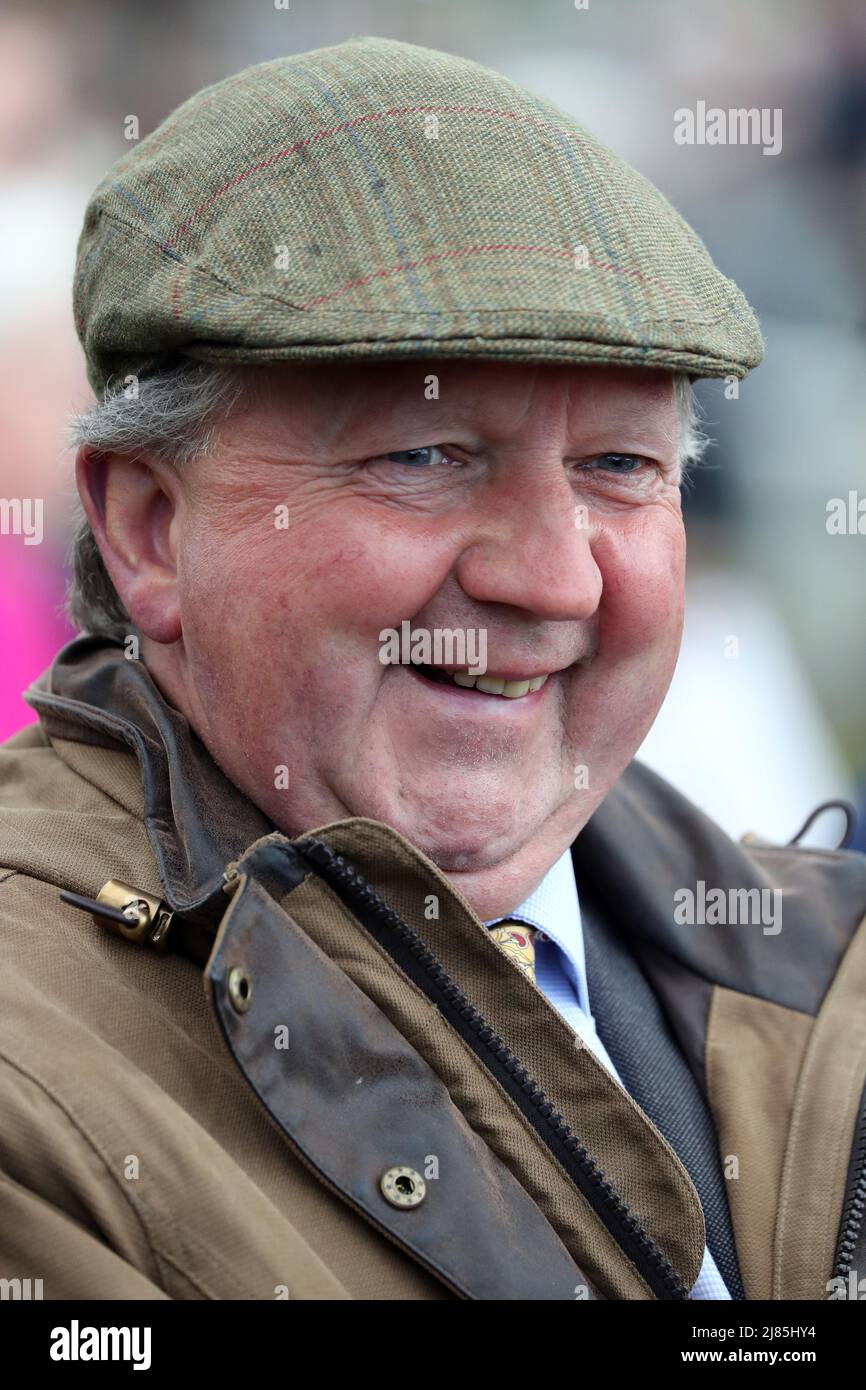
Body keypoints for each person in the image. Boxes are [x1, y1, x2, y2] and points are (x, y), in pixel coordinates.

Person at [1, 35, 864, 1302]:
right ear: (149, 529)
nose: (558, 579)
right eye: (427, 455)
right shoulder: (35, 1073)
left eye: (620, 467)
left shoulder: (822, 964)